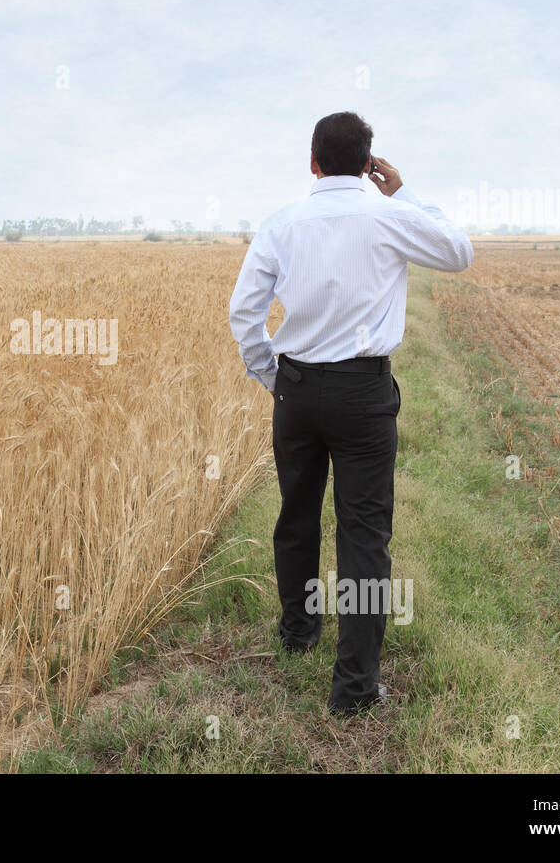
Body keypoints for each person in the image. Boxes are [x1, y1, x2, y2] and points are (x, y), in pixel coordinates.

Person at [228, 111, 473, 715]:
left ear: (312, 161)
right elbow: (458, 252)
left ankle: (297, 633)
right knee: (364, 532)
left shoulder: (282, 224)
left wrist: (274, 378)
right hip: (363, 395)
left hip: (296, 388)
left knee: (297, 514)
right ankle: (355, 688)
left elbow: (244, 315)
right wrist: (404, 193)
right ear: (369, 164)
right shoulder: (388, 216)